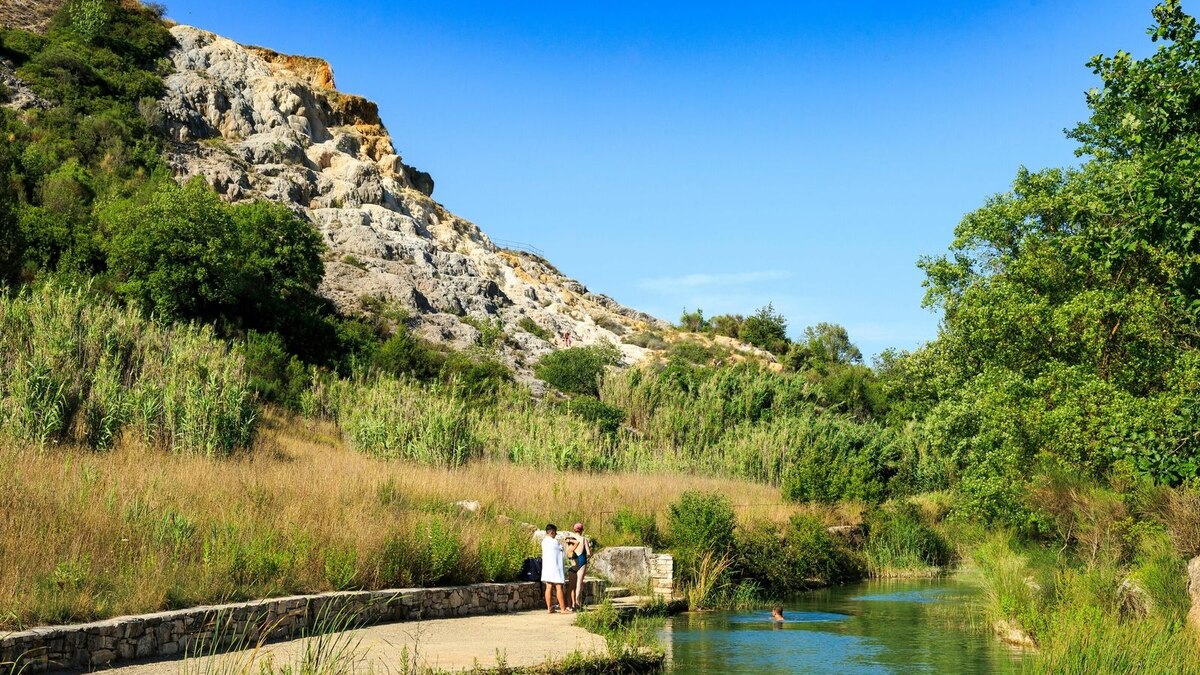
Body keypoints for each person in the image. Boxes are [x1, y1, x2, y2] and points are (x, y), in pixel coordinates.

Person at [541, 524, 570, 613]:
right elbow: (562, 551)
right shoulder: (554, 542)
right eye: (555, 532)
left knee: (548, 587)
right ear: (551, 532)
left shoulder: (544, 542)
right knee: (559, 587)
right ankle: (563, 609)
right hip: (555, 567)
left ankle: (549, 608)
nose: (556, 534)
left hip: (547, 567)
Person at [567, 522, 592, 610]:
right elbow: (588, 553)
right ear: (582, 530)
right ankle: (577, 601)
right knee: (579, 582)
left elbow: (568, 551)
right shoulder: (584, 539)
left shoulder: (570, 539)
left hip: (573, 561)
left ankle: (573, 603)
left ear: (574, 530)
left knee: (572, 585)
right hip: (582, 560)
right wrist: (590, 549)